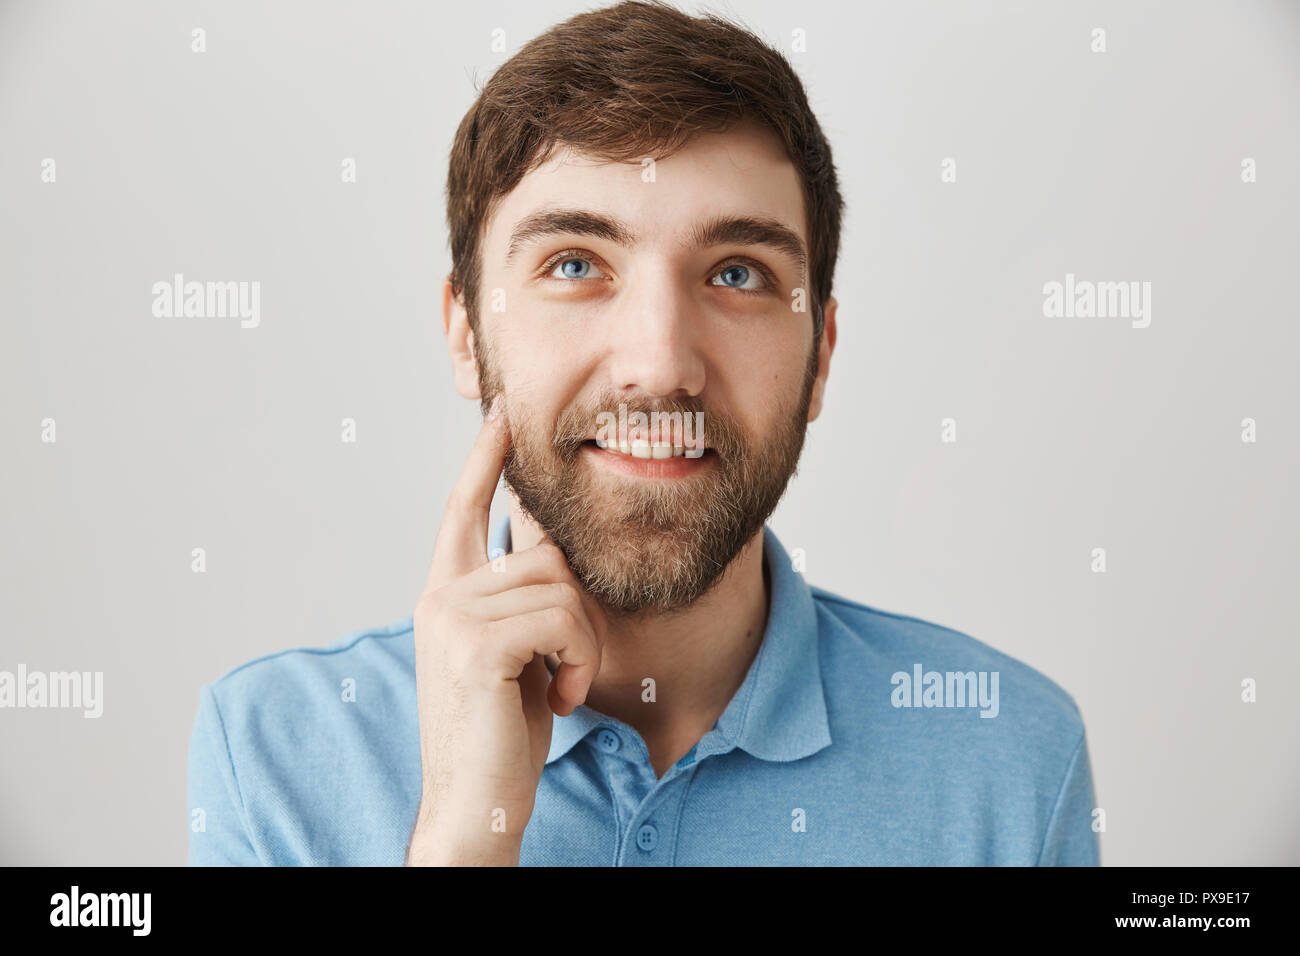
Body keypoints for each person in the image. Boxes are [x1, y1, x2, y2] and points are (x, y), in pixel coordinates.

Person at [187, 0, 1099, 866]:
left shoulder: (1011, 758)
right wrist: (464, 837)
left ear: (820, 356)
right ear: (467, 334)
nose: (660, 362)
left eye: (738, 274)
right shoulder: (271, 752)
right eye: (576, 263)